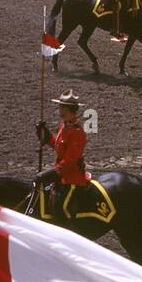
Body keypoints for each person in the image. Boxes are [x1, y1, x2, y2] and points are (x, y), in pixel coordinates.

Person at [33, 89, 91, 223]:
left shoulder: (77, 132)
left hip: (72, 178)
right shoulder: (64, 126)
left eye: (61, 107)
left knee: (59, 208)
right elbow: (58, 146)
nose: (59, 110)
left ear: (68, 109)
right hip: (62, 175)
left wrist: (53, 172)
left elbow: (70, 160)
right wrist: (45, 134)